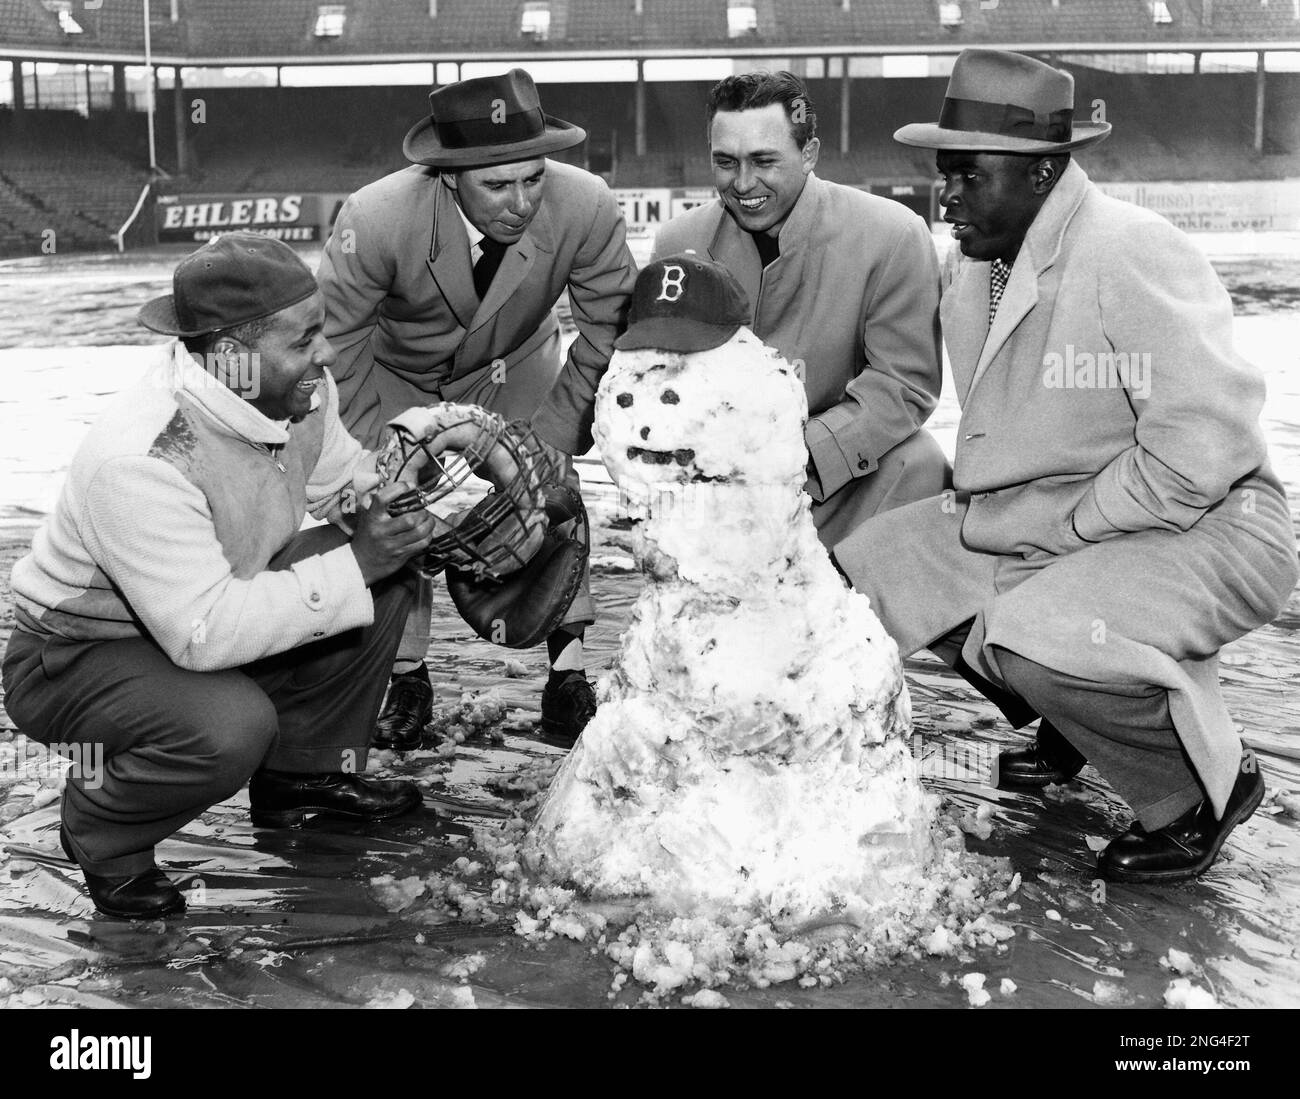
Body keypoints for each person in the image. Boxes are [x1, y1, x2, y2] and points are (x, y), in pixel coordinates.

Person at [834, 49, 1299, 882]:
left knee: (1037, 633)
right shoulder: (976, 263)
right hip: (1071, 512)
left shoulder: (1130, 248)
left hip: (1212, 524)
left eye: (968, 177)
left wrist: (1064, 529)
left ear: (1044, 172)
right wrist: (1034, 526)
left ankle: (1201, 788)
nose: (946, 198)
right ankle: (1077, 721)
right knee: (874, 566)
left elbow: (1203, 451)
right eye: (945, 175)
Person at [2, 233, 436, 918]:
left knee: (383, 571)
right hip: (76, 656)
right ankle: (102, 828)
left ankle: (305, 777)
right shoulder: (143, 456)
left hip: (194, 613)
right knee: (231, 725)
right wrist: (357, 560)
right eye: (304, 340)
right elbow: (204, 635)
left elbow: (341, 484)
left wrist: (406, 498)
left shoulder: (296, 391)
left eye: (320, 331)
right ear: (231, 356)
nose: (325, 355)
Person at [318, 68, 637, 750]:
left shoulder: (587, 204)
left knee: (554, 492)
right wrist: (385, 454)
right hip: (395, 374)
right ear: (449, 176)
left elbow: (610, 325)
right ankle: (407, 675)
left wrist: (555, 425)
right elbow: (336, 344)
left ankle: (567, 674)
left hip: (515, 364)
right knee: (390, 508)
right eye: (498, 185)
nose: (521, 202)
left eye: (533, 178)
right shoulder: (373, 218)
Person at [652, 71, 948, 550]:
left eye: (764, 161)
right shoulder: (676, 244)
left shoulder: (893, 235)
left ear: (810, 154)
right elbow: (660, 386)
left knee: (920, 461)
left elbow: (902, 387)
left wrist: (797, 453)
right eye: (725, 162)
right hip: (716, 489)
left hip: (840, 482)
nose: (743, 183)